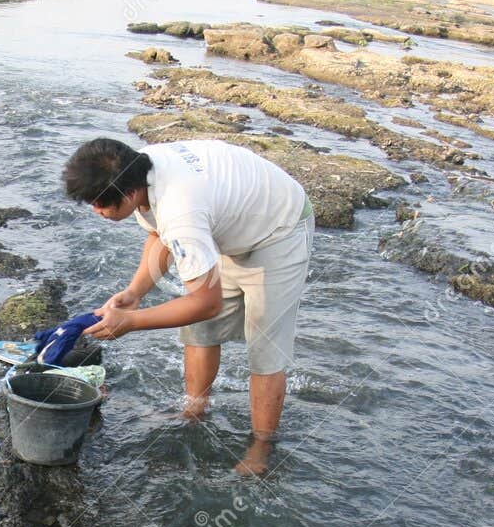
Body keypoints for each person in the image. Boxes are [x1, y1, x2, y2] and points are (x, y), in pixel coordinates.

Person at [62, 136, 314, 476]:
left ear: (131, 192)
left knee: (264, 343)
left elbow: (204, 302)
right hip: (228, 221)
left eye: (102, 203)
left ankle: (262, 446)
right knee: (198, 330)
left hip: (278, 229)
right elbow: (160, 233)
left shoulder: (181, 208)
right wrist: (136, 291)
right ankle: (194, 411)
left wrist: (131, 321)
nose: (97, 211)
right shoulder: (139, 170)